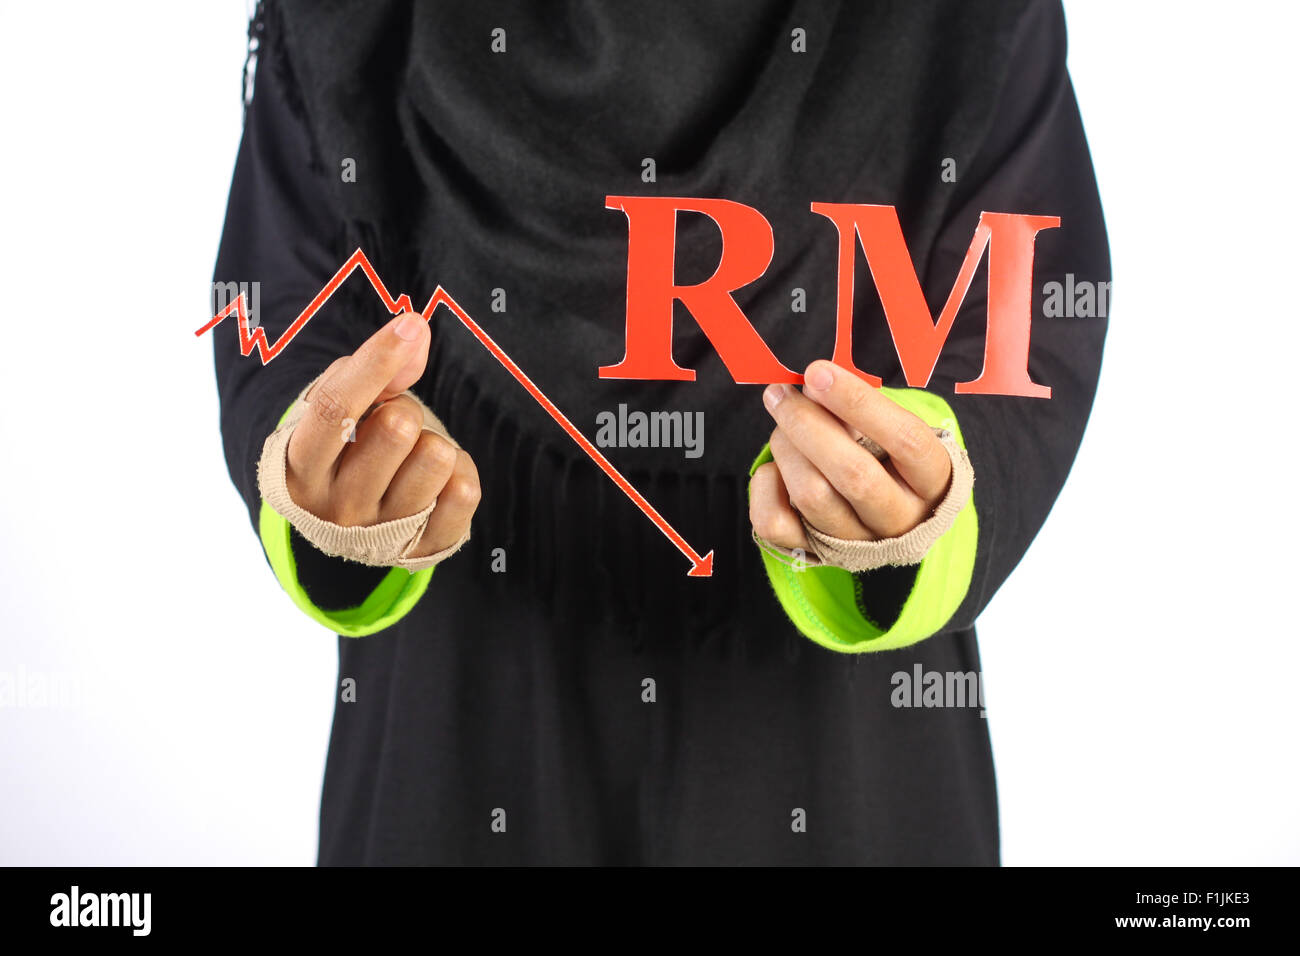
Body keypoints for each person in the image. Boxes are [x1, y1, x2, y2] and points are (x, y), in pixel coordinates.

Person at [211, 0, 1108, 864]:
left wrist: (921, 487)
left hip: (839, 725)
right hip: (466, 687)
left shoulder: (971, 14)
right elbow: (283, 307)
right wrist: (330, 475)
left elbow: (1021, 319)